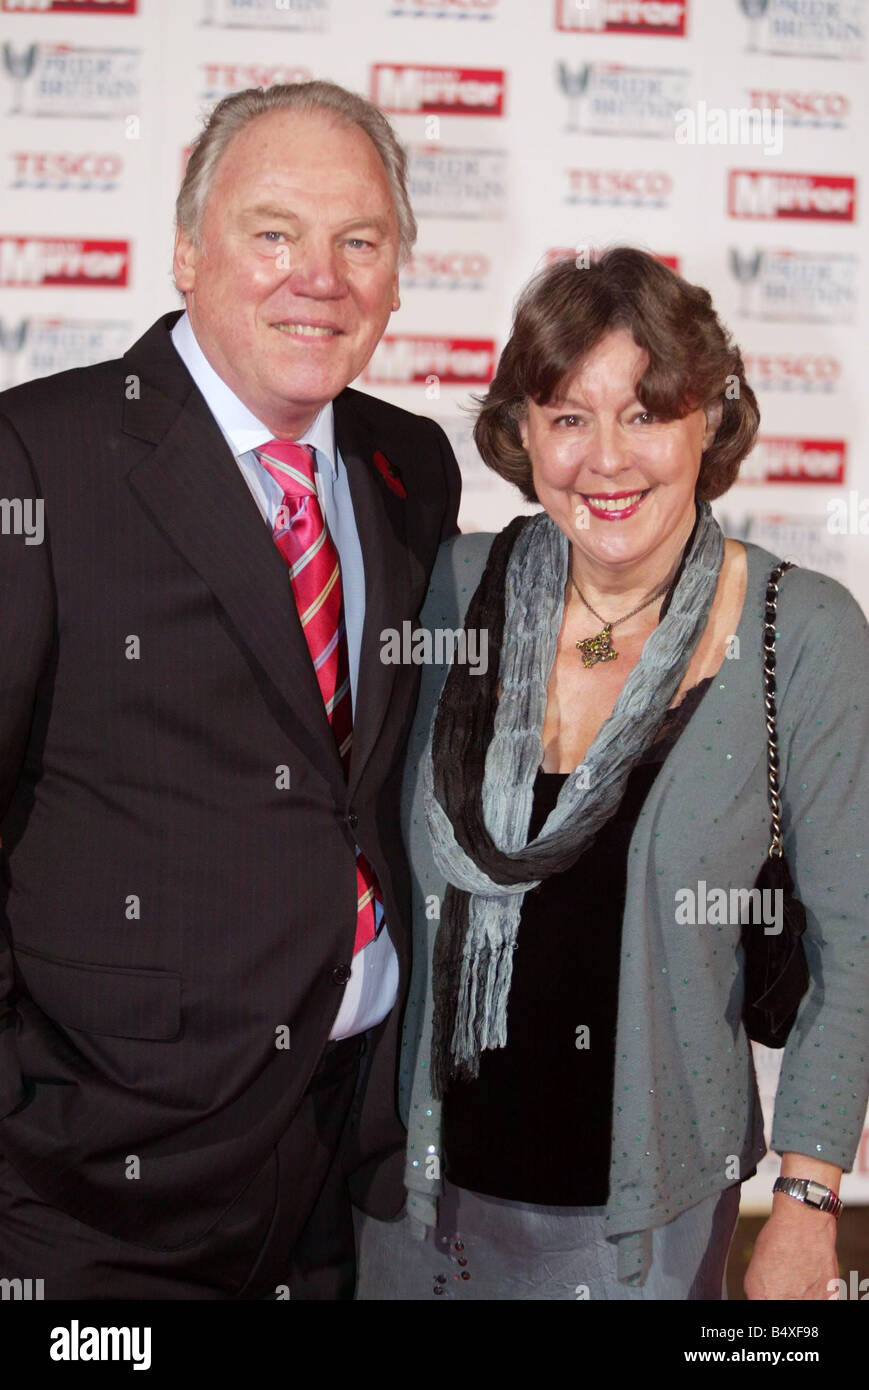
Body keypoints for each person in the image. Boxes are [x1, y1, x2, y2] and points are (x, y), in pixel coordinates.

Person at [0, 80, 460, 1300]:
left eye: (358, 241)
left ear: (397, 276)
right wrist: (33, 1110)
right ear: (187, 251)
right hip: (96, 1188)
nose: (319, 275)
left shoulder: (408, 464)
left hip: (344, 1159)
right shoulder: (39, 458)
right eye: (273, 233)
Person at [354, 247, 869, 1300]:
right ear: (521, 430)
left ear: (707, 424)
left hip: (645, 1226)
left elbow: (854, 941)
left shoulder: (796, 630)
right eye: (567, 415)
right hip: (415, 1200)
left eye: (645, 413)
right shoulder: (454, 590)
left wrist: (808, 1201)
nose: (605, 458)